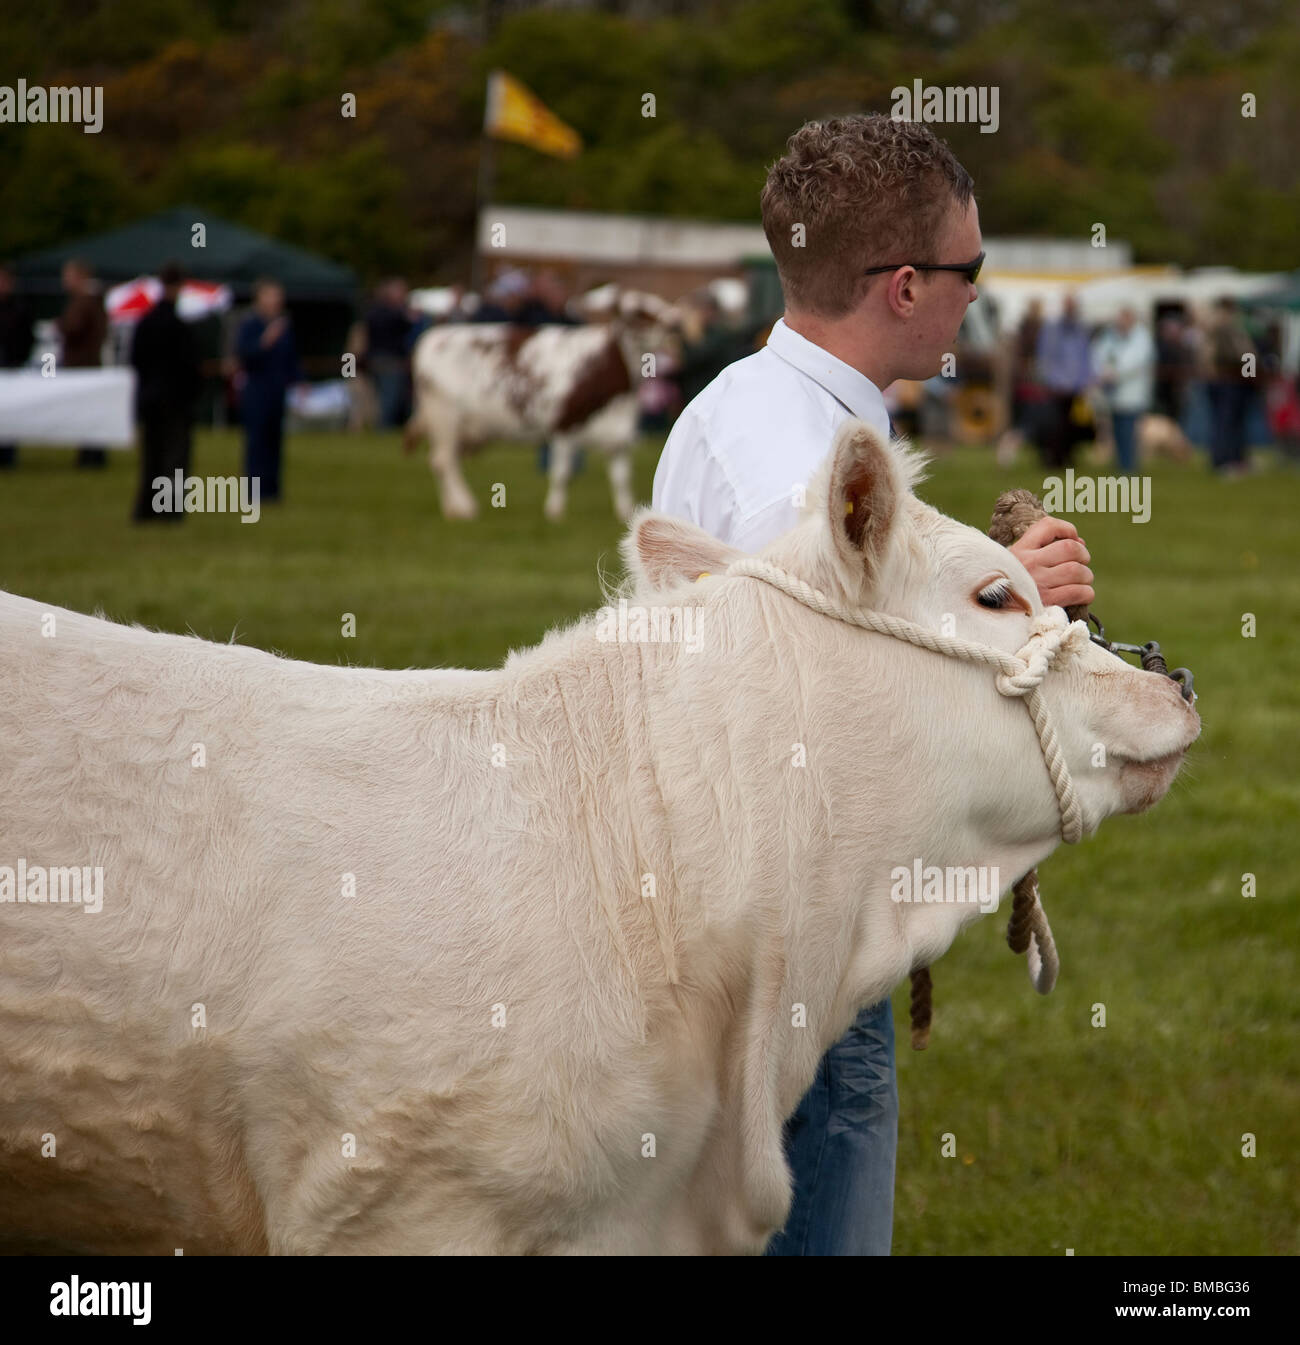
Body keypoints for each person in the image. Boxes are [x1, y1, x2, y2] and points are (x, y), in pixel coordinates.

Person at [652, 113, 1095, 1256]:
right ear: (905, 286)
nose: (975, 299)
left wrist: (994, 593)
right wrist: (1011, 606)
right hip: (792, 947)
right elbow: (811, 714)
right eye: (970, 273)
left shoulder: (773, 412)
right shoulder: (791, 466)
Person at [129, 261, 201, 522]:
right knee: (175, 457)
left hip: (150, 398)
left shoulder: (145, 323)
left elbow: (136, 360)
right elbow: (190, 367)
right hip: (176, 400)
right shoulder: (181, 328)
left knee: (151, 455)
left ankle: (145, 509)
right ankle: (169, 511)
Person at [236, 279, 300, 503]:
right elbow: (244, 355)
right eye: (271, 295)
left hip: (277, 389)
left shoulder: (283, 326)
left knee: (275, 441)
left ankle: (272, 491)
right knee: (257, 441)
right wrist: (265, 341)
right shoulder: (250, 324)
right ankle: (254, 491)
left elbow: (290, 358)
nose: (275, 300)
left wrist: (298, 380)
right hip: (257, 389)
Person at [57, 258, 109, 468]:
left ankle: (91, 456)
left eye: (68, 276)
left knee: (86, 412)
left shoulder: (84, 301)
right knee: (91, 411)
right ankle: (91, 455)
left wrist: (60, 325)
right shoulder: (94, 300)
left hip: (82, 365)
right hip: (89, 362)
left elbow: (74, 328)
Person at [1090, 307, 1154, 473]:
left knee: (1128, 430)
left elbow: (1137, 361)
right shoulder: (1110, 336)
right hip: (1113, 394)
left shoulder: (1141, 337)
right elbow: (1098, 355)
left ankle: (1128, 465)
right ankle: (1121, 463)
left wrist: (1114, 373)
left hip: (1132, 393)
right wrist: (1103, 372)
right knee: (1116, 430)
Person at [1035, 294, 1093, 469]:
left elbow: (1085, 357)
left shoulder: (1081, 330)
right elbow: (1046, 357)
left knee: (1073, 427)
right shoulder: (1052, 329)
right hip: (1056, 388)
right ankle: (1052, 460)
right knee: (1053, 426)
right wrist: (1053, 381)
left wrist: (1083, 381)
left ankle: (1068, 459)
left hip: (1075, 389)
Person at [1203, 297, 1255, 477]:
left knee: (1230, 423)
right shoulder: (1226, 330)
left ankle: (1233, 460)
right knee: (1225, 424)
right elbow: (1245, 354)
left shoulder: (1216, 329)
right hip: (1228, 381)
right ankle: (1225, 462)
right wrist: (1250, 375)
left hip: (1228, 381)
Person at [364, 278, 414, 428]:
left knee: (386, 395)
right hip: (389, 360)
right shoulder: (392, 313)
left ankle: (383, 425)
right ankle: (384, 427)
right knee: (389, 396)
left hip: (377, 359)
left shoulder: (372, 312)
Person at [0, 263, 34, 468]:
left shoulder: (20, 308)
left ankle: (8, 455)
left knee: (10, 411)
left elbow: (27, 338)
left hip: (12, 366)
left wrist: (19, 359)